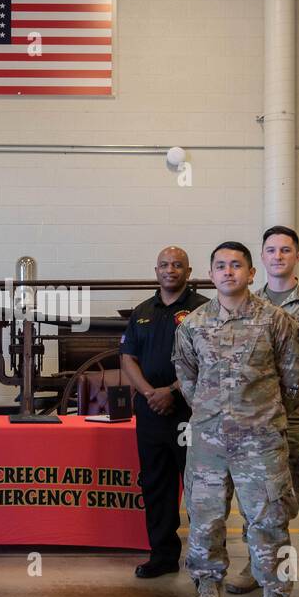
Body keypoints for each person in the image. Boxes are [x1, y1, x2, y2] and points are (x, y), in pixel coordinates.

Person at [171, 242, 299, 597]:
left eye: (237, 265)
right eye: (220, 266)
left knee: (268, 521)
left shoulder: (276, 321)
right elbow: (186, 374)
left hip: (260, 441)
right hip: (208, 443)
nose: (228, 271)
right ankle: (208, 593)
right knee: (205, 520)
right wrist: (209, 411)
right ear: (211, 275)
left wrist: (260, 414)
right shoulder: (193, 325)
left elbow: (295, 378)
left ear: (252, 274)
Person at [227, 225, 299, 597]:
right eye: (271, 250)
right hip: (258, 421)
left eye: (286, 250)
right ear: (262, 258)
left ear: (297, 256)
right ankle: (258, 568)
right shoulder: (249, 304)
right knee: (258, 499)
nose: (278, 256)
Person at [119, 247, 208, 578]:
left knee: (200, 487)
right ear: (156, 270)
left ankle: (204, 558)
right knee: (157, 485)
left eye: (178, 265)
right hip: (151, 413)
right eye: (165, 265)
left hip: (191, 413)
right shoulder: (143, 311)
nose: (171, 270)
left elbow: (206, 361)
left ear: (189, 271)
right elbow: (128, 357)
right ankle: (163, 555)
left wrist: (172, 391)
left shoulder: (202, 310)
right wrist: (149, 393)